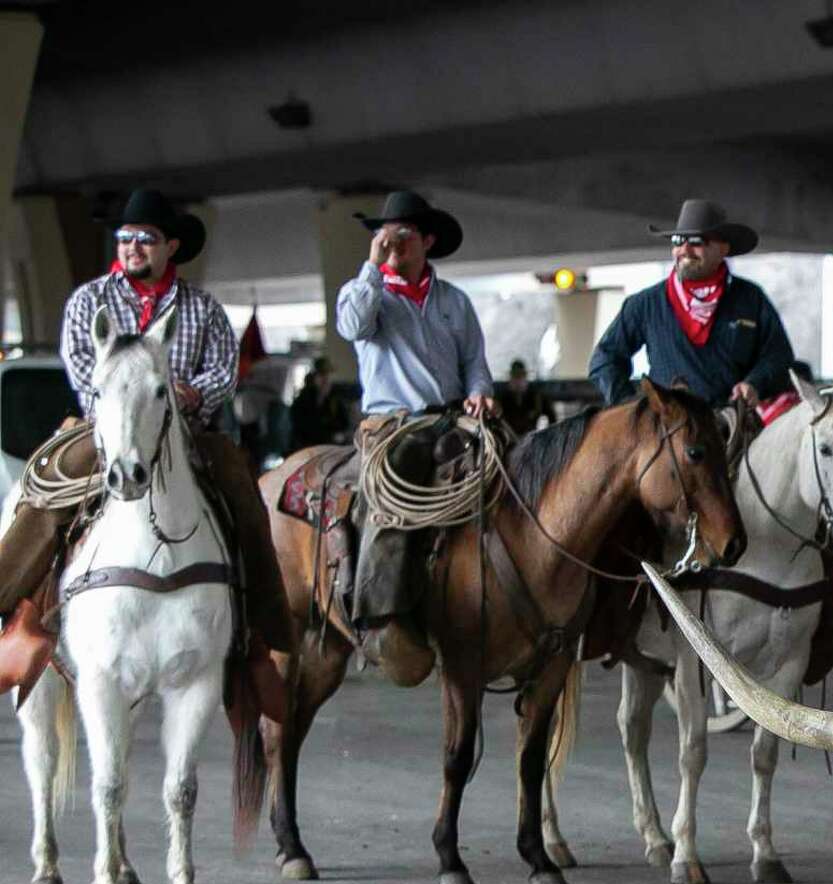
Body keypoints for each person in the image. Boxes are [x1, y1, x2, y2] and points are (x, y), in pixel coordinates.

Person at [0, 188, 294, 696]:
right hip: (105, 428)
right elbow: (82, 366)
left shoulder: (202, 309)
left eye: (146, 239)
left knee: (244, 496)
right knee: (45, 492)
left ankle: (260, 633)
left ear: (171, 247)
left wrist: (192, 392)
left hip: (186, 430)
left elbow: (223, 370)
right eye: (126, 238)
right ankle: (14, 611)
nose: (133, 247)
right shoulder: (89, 301)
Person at [334, 188, 496, 664]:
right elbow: (352, 327)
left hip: (454, 417)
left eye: (403, 235)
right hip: (393, 424)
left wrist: (480, 391)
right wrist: (372, 267)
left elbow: (475, 362)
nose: (393, 244)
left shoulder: (454, 301)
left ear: (427, 241)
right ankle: (380, 612)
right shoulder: (365, 293)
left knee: (510, 467)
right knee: (395, 488)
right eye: (386, 236)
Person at [587, 198, 793, 408]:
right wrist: (631, 407)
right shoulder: (645, 304)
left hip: (732, 420)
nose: (684, 249)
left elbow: (779, 356)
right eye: (678, 240)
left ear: (723, 248)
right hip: (668, 425)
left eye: (696, 241)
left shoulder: (750, 298)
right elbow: (604, 359)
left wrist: (754, 384)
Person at [287, 356, 340, 452]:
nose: (326, 379)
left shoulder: (334, 399)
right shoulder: (302, 400)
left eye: (328, 375)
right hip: (306, 449)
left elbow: (342, 423)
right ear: (313, 378)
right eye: (322, 375)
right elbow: (300, 427)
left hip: (329, 449)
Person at [497, 359, 549, 433]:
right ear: (510, 378)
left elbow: (551, 417)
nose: (518, 381)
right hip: (509, 436)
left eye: (520, 376)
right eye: (515, 376)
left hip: (531, 435)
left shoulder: (535, 396)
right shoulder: (503, 398)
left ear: (525, 377)